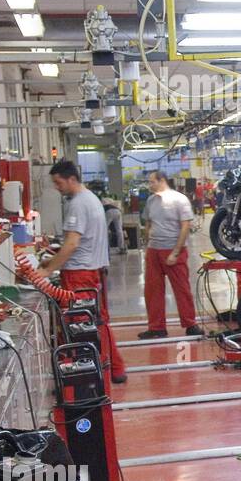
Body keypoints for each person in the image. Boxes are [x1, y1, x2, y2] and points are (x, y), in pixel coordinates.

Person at [42, 160, 127, 382]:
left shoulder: (77, 203)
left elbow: (71, 244)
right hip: (93, 271)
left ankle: (85, 377)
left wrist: (46, 270)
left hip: (79, 276)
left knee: (79, 326)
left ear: (71, 179)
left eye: (58, 183)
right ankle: (114, 369)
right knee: (98, 323)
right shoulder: (91, 199)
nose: (57, 188)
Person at [139, 170, 201, 340]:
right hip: (154, 250)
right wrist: (147, 247)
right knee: (152, 290)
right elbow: (148, 224)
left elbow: (185, 227)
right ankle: (156, 327)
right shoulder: (151, 201)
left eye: (152, 182)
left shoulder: (179, 200)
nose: (149, 185)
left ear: (162, 180)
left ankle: (190, 324)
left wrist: (176, 251)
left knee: (182, 289)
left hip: (174, 250)